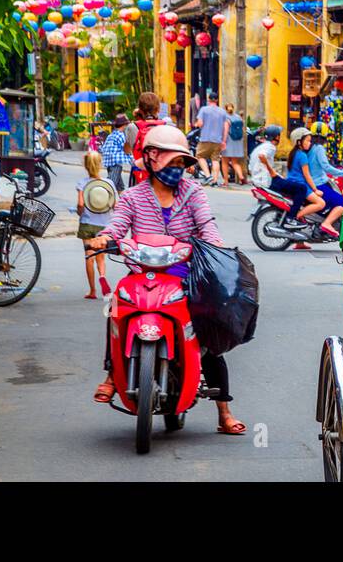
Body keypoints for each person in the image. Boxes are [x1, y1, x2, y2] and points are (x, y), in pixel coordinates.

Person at [86, 125, 245, 435]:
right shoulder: (132, 197)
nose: (177, 169)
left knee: (208, 335)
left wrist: (217, 246)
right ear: (151, 158)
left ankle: (223, 410)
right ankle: (111, 374)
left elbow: (207, 226)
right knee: (116, 308)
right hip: (142, 273)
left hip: (186, 274)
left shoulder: (193, 192)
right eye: (171, 163)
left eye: (180, 164)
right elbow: (116, 228)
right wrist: (102, 239)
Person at [286, 128, 337, 237]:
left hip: (293, 184)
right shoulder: (303, 155)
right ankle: (296, 216)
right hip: (302, 186)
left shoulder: (293, 153)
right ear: (299, 141)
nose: (310, 143)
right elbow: (307, 175)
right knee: (321, 203)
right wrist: (315, 190)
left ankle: (300, 241)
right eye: (308, 141)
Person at [78, 151, 114, 299]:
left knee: (89, 257)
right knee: (101, 257)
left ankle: (92, 291)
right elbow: (115, 205)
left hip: (87, 223)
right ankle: (103, 276)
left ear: (86, 166)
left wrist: (80, 212)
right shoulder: (109, 183)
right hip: (104, 224)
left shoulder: (82, 183)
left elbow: (80, 203)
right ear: (100, 164)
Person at [306, 121, 343, 210]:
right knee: (342, 202)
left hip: (310, 184)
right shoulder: (319, 148)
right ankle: (327, 223)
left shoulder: (309, 147)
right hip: (318, 184)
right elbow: (326, 167)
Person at [129, 93, 166, 186]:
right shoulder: (167, 126)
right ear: (158, 109)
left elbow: (127, 149)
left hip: (139, 176)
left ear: (140, 109)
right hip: (162, 175)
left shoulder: (132, 127)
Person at [193, 92, 230, 187]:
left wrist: (196, 124)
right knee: (215, 159)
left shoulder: (204, 110)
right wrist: (224, 141)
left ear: (208, 99)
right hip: (218, 140)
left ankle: (208, 175)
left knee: (200, 156)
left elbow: (200, 123)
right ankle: (214, 181)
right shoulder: (222, 112)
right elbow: (226, 126)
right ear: (217, 100)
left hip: (205, 138)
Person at [99, 114, 129, 192]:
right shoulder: (121, 135)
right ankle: (101, 199)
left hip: (108, 163)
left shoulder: (111, 135)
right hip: (116, 164)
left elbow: (104, 148)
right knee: (110, 185)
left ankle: (121, 203)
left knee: (120, 186)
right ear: (124, 125)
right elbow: (126, 149)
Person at [221, 104, 247, 185]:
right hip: (237, 142)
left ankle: (226, 181)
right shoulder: (238, 117)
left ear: (225, 109)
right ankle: (241, 177)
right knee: (235, 162)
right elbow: (243, 130)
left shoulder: (225, 118)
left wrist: (223, 142)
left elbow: (225, 131)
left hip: (229, 141)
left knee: (224, 162)